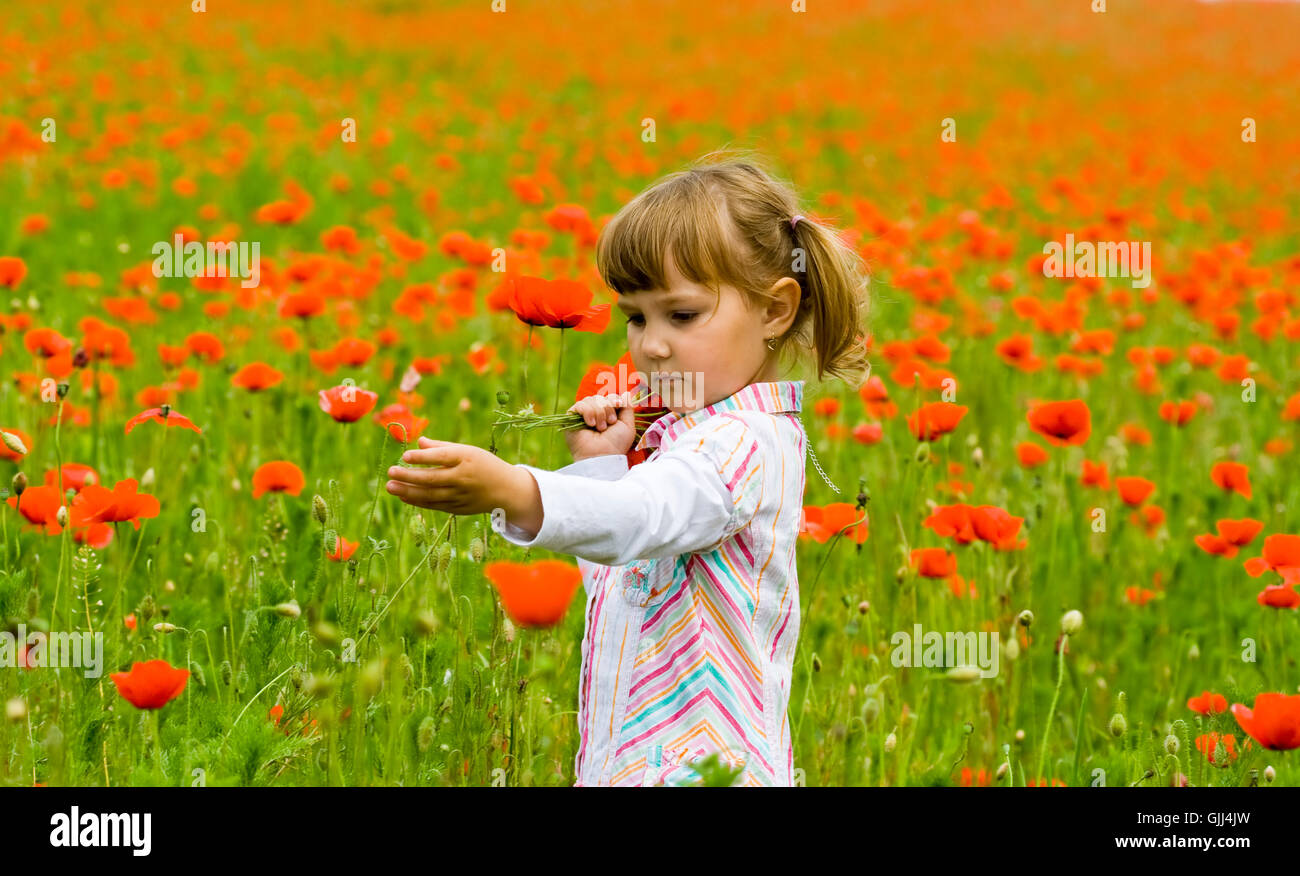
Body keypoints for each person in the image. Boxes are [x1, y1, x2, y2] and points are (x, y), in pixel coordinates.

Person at [386, 150, 870, 785]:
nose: (652, 343)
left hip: (700, 767)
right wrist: (601, 465)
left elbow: (640, 517)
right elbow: (631, 565)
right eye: (636, 317)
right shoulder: (692, 438)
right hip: (641, 758)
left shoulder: (743, 444)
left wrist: (514, 488)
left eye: (683, 314)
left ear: (775, 311)